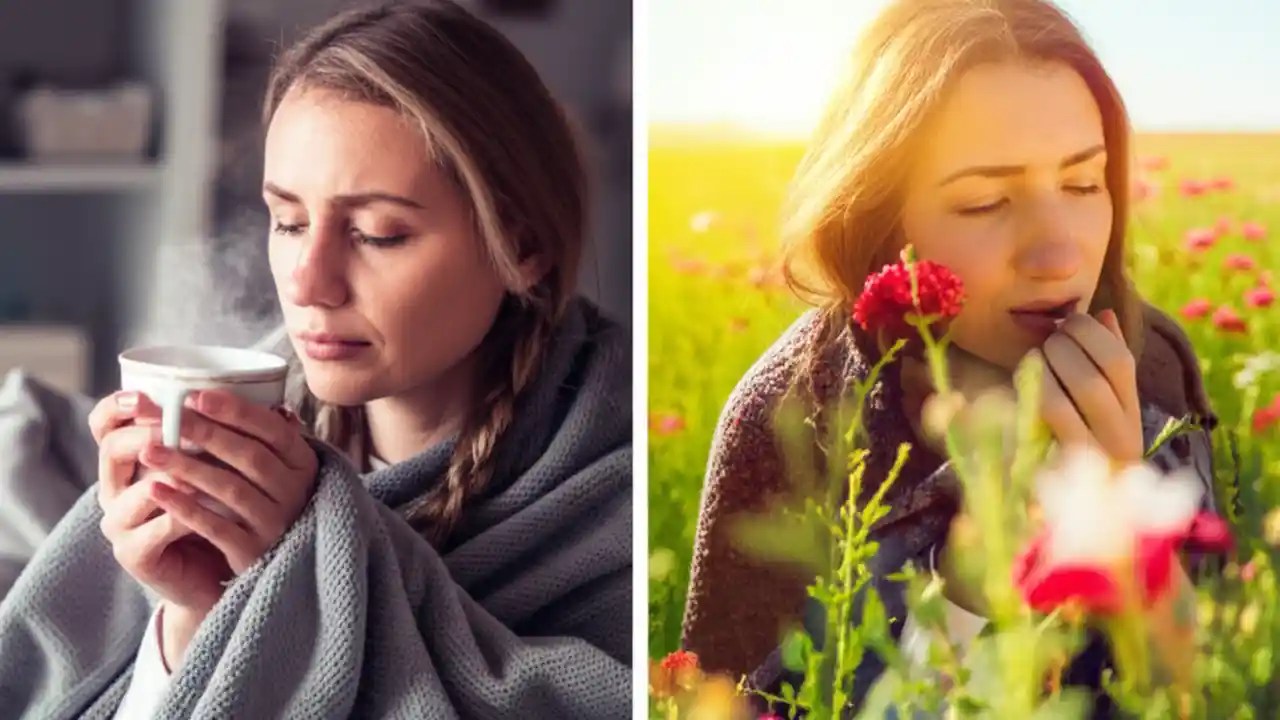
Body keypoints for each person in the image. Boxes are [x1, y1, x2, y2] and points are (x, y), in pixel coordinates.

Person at [0, 2, 631, 718]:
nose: (305, 281)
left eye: (377, 233)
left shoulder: (619, 496)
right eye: (289, 222)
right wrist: (193, 615)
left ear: (521, 248)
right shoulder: (239, 436)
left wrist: (309, 560)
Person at [682, 0, 1218, 715]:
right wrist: (971, 580)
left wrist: (1120, 501)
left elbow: (1217, 685)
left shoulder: (1151, 363)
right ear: (878, 218)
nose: (1059, 256)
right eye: (985, 200)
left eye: (1084, 184)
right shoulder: (795, 415)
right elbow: (741, 701)